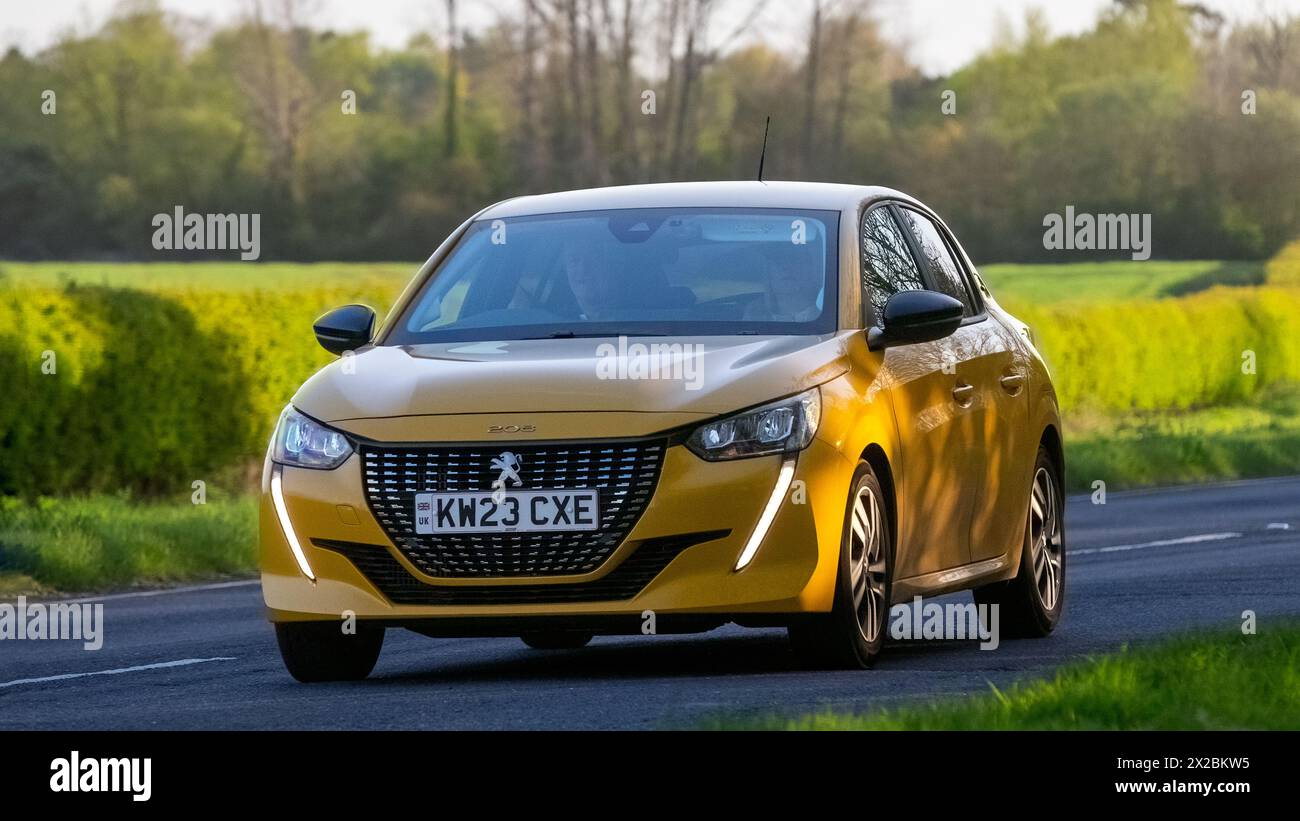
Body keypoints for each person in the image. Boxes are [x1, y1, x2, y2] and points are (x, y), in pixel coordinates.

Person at [743, 244, 823, 322]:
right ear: (768, 275)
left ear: (811, 271)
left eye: (794, 261)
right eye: (778, 262)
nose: (785, 268)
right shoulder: (755, 313)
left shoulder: (826, 313)